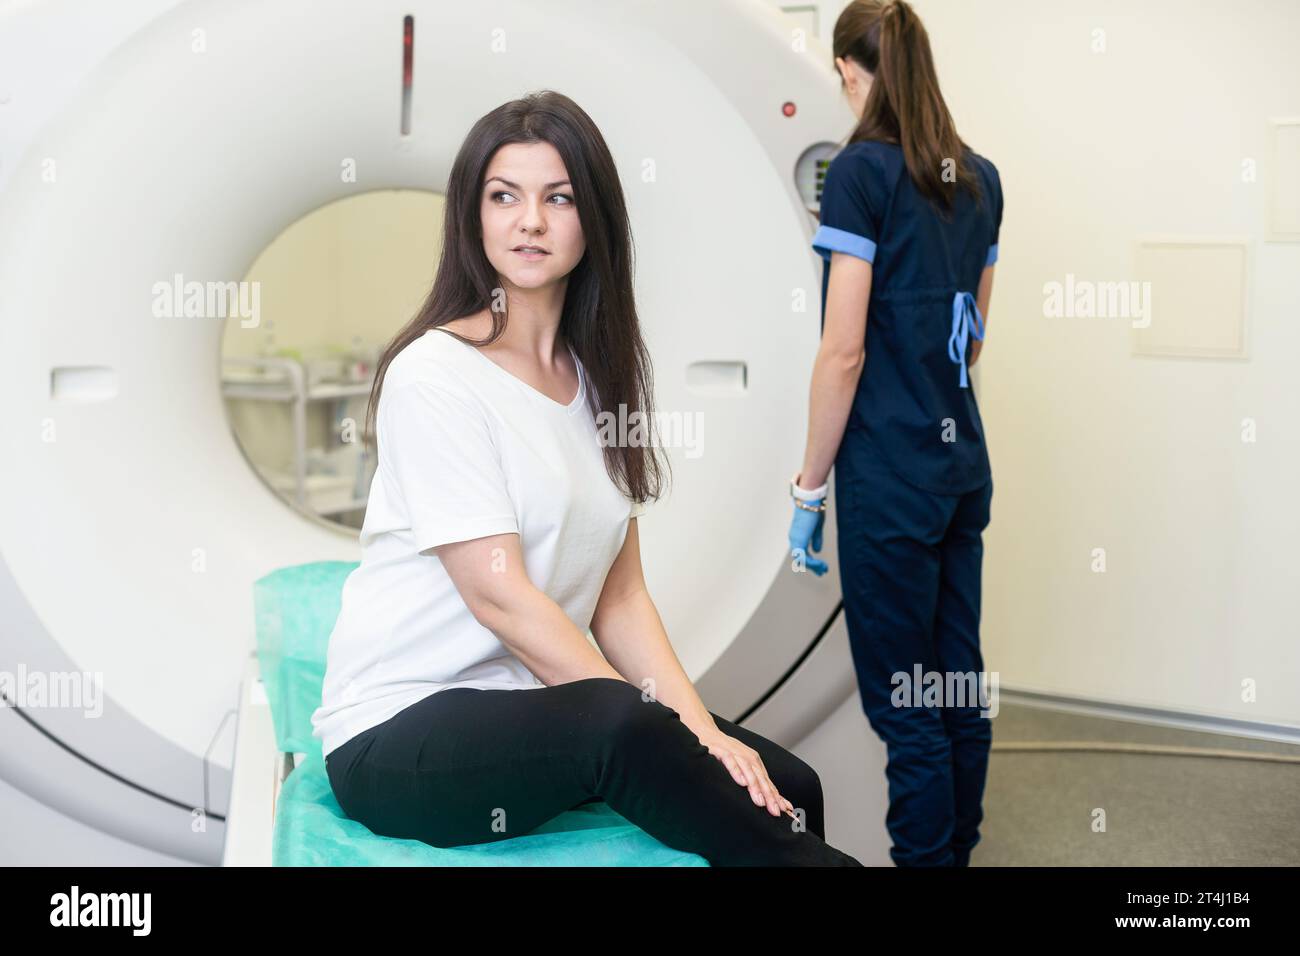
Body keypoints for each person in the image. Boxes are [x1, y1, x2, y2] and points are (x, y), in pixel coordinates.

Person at [310, 90, 862, 867]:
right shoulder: (433, 375)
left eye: (557, 198)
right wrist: (660, 732)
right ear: (473, 217)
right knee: (620, 722)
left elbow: (622, 595)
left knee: (790, 783)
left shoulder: (594, 380)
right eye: (504, 197)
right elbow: (500, 597)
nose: (529, 220)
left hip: (531, 715)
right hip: (398, 731)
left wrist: (700, 730)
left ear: (590, 219)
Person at [787, 0, 1003, 866]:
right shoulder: (982, 176)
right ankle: (958, 854)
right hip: (960, 472)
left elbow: (841, 353)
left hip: (890, 478)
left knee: (907, 705)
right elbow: (975, 338)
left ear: (849, 71)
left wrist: (808, 489)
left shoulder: (860, 173)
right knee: (955, 682)